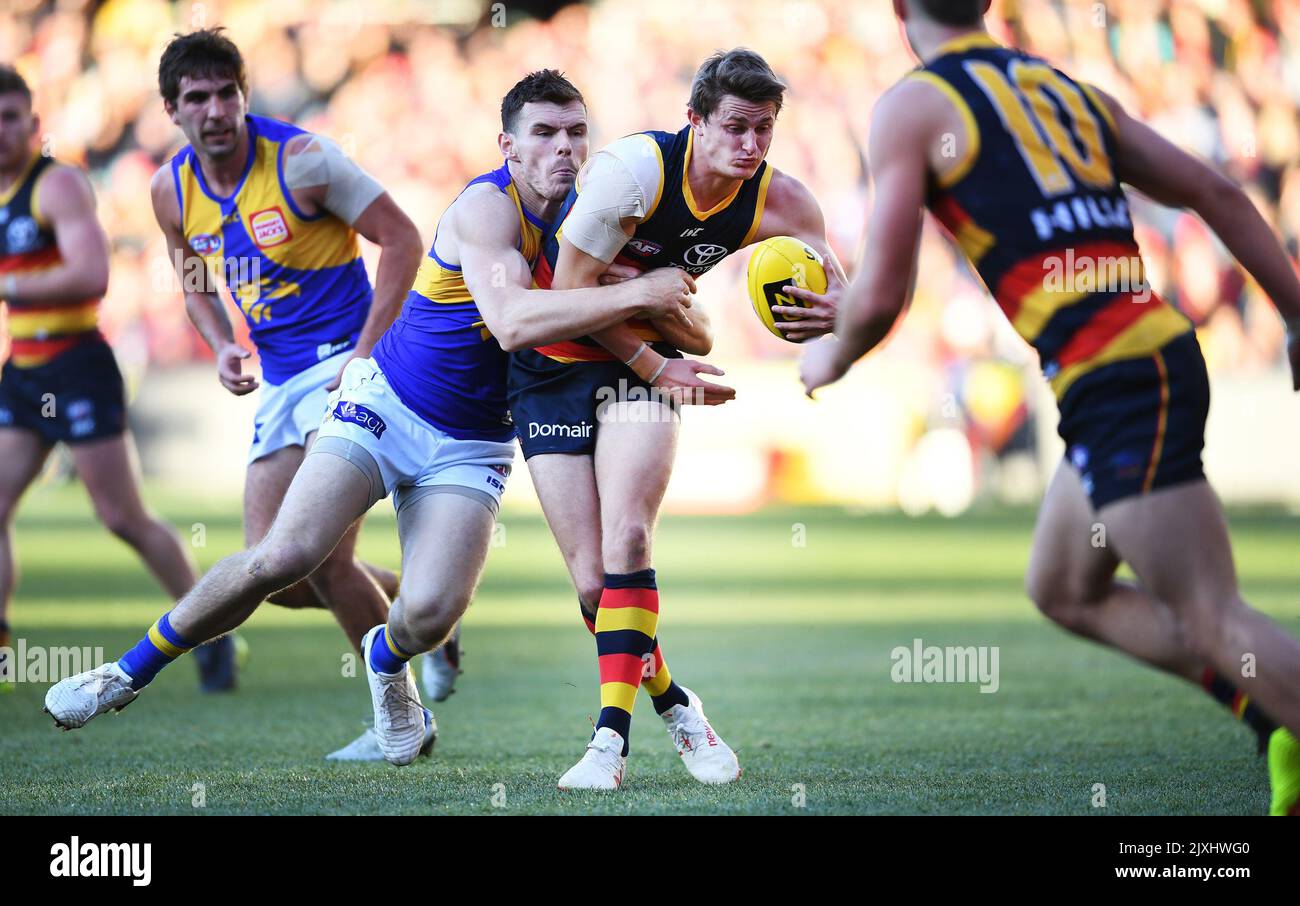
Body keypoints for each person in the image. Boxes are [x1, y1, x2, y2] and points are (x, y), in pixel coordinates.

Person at [43, 70, 697, 770]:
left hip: (473, 442)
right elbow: (509, 322)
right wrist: (645, 300)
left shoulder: (599, 225)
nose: (563, 148)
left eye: (575, 133)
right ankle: (124, 674)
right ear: (507, 145)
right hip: (386, 402)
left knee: (428, 614)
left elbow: (692, 327)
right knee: (285, 558)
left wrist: (663, 312)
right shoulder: (486, 208)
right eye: (544, 133)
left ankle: (386, 665)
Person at [798, 0, 1300, 816]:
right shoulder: (1066, 91)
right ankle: (1270, 715)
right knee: (1065, 584)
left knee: (1210, 614)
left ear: (896, 10)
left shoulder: (915, 106)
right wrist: (1297, 313)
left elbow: (884, 293)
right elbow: (1217, 192)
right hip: (1137, 362)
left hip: (1117, 374)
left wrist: (833, 352)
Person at [509, 48, 847, 790]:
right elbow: (570, 288)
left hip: (648, 360)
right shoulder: (633, 173)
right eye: (735, 127)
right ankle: (677, 704)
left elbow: (843, 293)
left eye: (764, 130)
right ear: (693, 120)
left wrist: (834, 323)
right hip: (555, 363)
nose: (751, 146)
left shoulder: (781, 201)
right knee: (596, 589)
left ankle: (608, 744)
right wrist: (663, 354)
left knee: (630, 533)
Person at [148, 29, 424, 740]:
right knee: (277, 580)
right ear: (172, 111)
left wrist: (363, 357)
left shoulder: (303, 162)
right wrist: (218, 344)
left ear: (244, 96)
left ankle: (400, 718)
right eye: (196, 98)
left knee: (328, 564)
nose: (215, 110)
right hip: (278, 382)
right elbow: (192, 281)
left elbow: (402, 239)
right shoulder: (170, 190)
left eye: (226, 93)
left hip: (346, 365)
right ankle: (427, 607)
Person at [0, 66, 203, 690]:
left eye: (11, 118)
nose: (1, 132)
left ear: (34, 125)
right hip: (24, 368)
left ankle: (209, 628)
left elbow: (92, 275)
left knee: (121, 516)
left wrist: (8, 286)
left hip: (77, 366)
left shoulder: (55, 184)